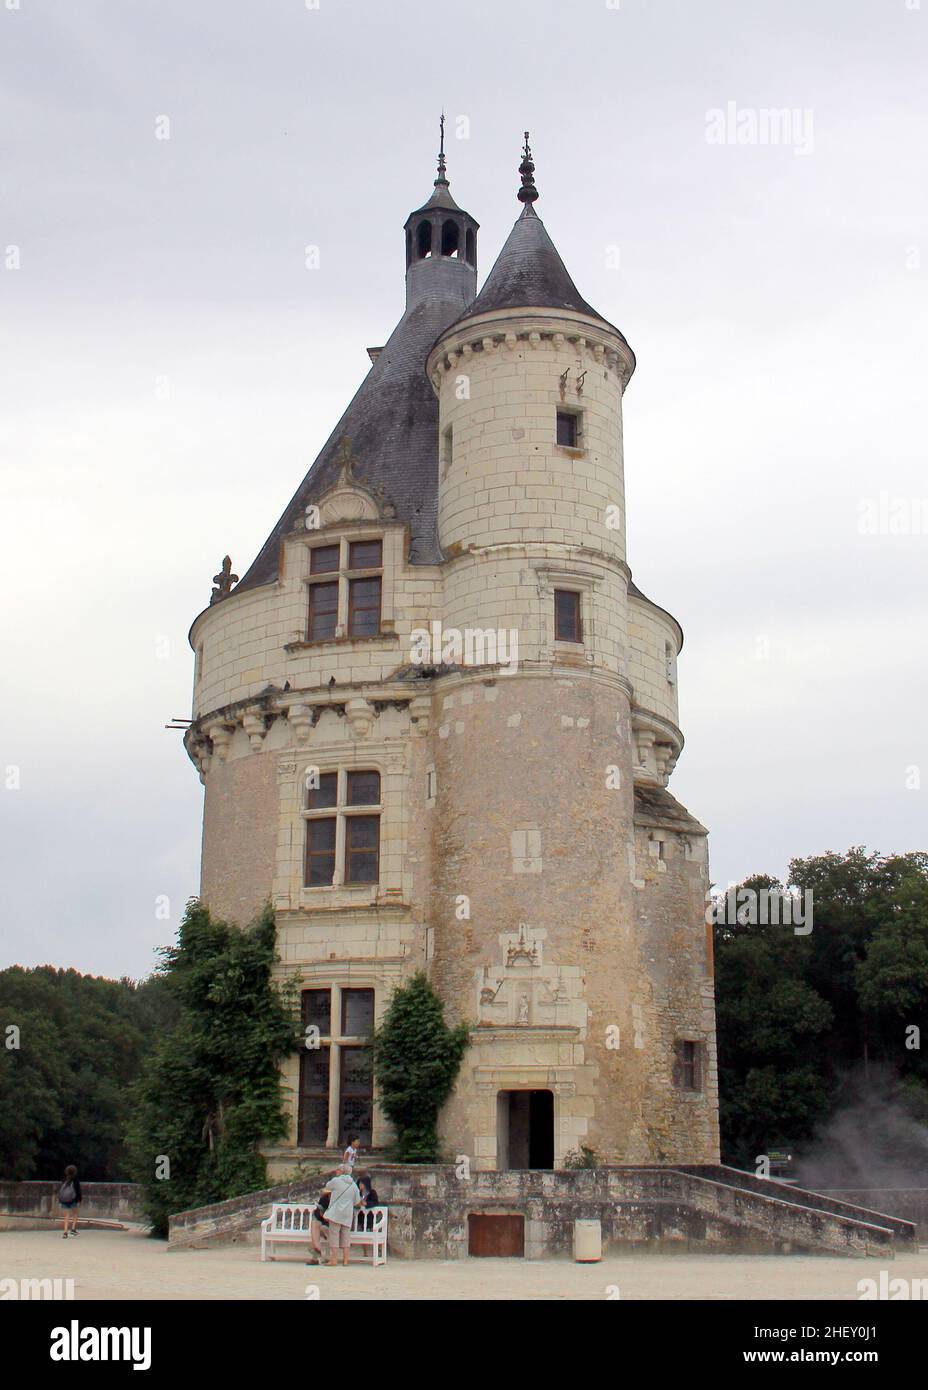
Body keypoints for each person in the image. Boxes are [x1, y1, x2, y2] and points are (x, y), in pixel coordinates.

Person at [321, 1164, 361, 1267]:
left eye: (338, 1169)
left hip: (336, 1212)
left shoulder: (336, 1181)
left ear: (342, 1171)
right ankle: (346, 1260)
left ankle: (334, 1260)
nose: (336, 1171)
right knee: (346, 1236)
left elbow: (327, 1186)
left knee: (334, 1235)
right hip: (348, 1213)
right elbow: (357, 1201)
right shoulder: (354, 1185)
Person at [306, 1188, 330, 1265]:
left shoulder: (337, 1201)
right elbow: (318, 1214)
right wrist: (321, 1213)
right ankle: (318, 1252)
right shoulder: (324, 1199)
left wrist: (324, 1215)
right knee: (315, 1224)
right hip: (322, 1223)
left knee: (320, 1228)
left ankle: (316, 1256)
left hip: (330, 1225)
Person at [59, 1165, 82, 1238]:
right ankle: (73, 1229)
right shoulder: (75, 1180)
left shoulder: (64, 1180)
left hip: (64, 1200)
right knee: (75, 1214)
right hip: (73, 1200)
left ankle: (65, 1232)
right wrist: (79, 1200)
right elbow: (78, 1191)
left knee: (66, 1216)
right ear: (75, 1172)